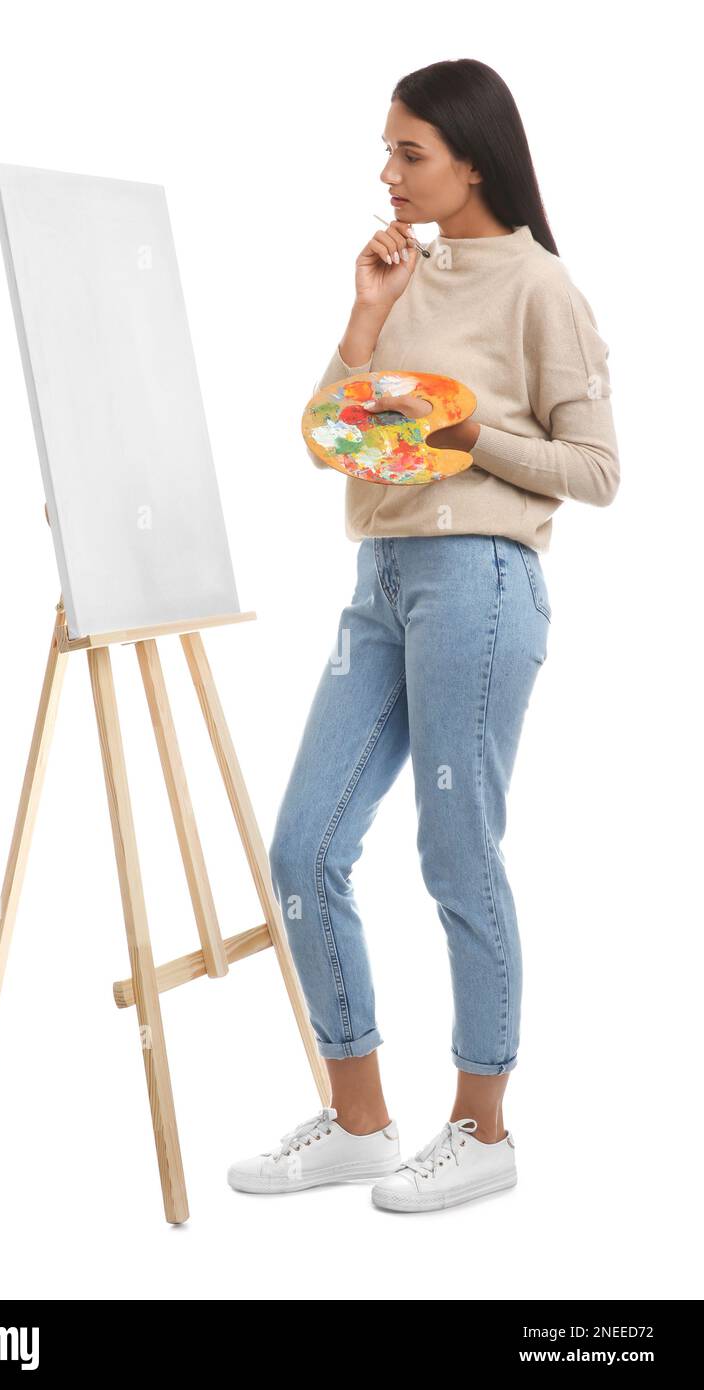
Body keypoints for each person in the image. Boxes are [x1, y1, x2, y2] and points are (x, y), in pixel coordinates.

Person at [228, 58, 619, 1212]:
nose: (388, 174)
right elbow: (325, 439)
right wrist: (367, 311)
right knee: (304, 847)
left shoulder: (542, 288)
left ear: (472, 159)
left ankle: (481, 1128)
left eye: (411, 152)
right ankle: (358, 1120)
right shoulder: (404, 276)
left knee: (456, 851)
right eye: (387, 151)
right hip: (381, 580)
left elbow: (597, 471)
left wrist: (468, 434)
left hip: (480, 581)